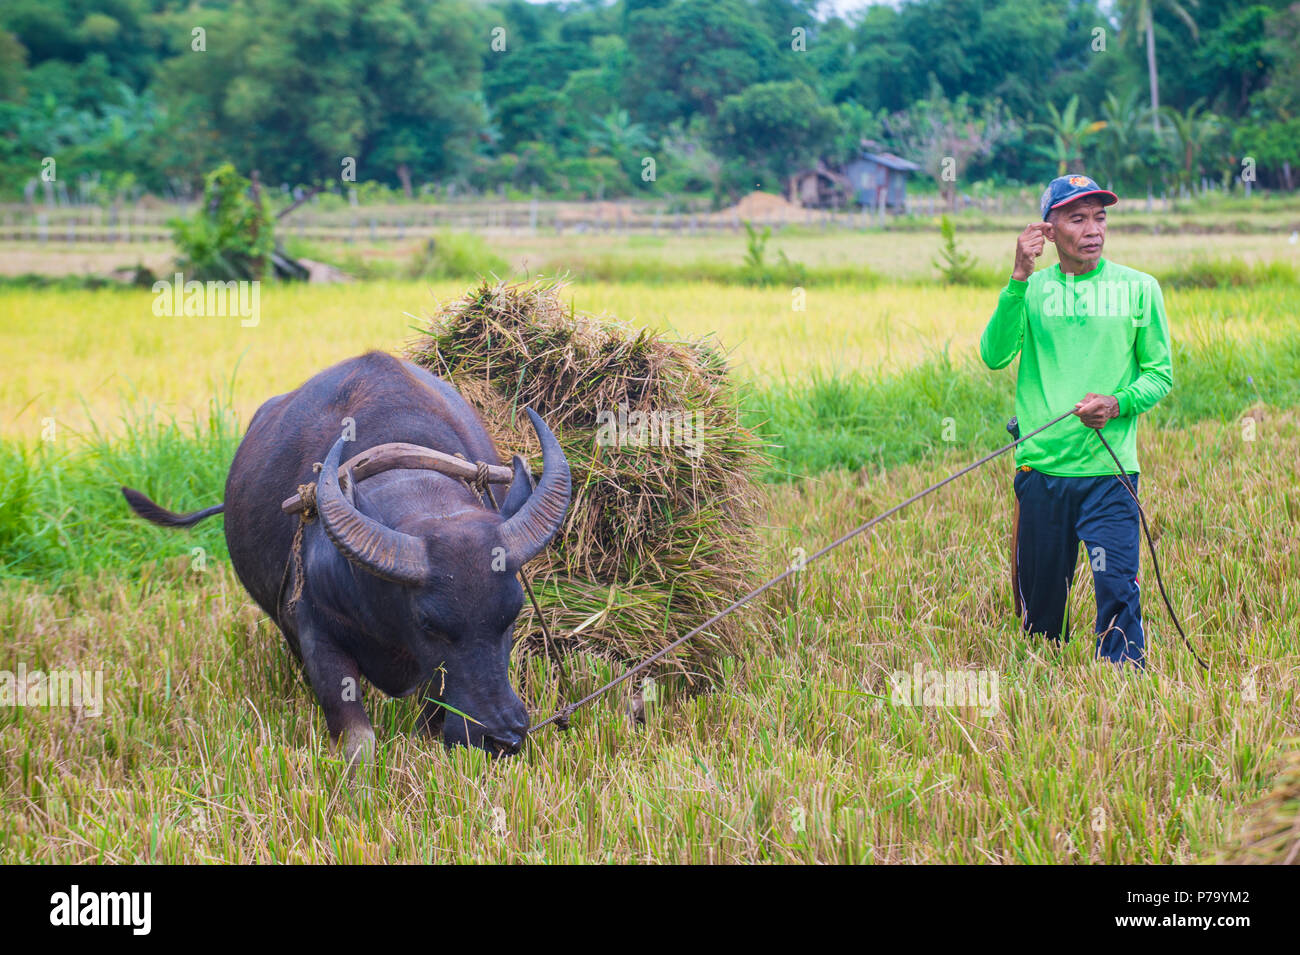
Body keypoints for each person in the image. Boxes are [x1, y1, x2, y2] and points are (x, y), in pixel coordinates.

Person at [979, 174, 1173, 667]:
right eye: (1077, 218)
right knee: (1041, 615)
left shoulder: (1139, 290)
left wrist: (1118, 401)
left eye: (1100, 217)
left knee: (1117, 589)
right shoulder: (1032, 291)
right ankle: (1045, 693)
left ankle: (1125, 689)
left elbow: (1159, 375)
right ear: (1048, 230)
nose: (1093, 230)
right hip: (1042, 472)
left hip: (1109, 474)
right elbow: (995, 355)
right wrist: (1018, 276)